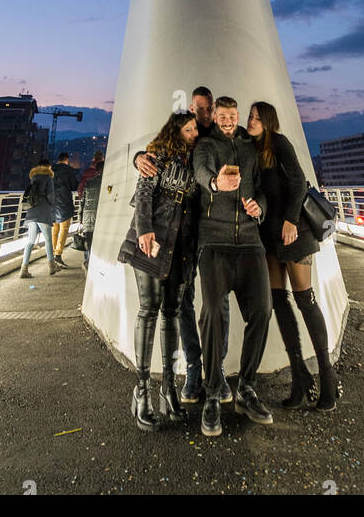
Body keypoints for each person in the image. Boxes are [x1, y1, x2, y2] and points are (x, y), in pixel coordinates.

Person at [134, 87, 232, 405]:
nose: (203, 117)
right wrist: (137, 157)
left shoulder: (218, 136)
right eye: (199, 111)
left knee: (217, 299)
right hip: (181, 235)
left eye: (208, 111)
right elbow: (153, 162)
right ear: (192, 107)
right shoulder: (178, 140)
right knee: (181, 305)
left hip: (212, 229)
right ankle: (192, 371)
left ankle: (215, 373)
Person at [246, 101, 339, 411]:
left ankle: (327, 377)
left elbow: (299, 182)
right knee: (278, 301)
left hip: (295, 231)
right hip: (269, 236)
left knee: (305, 300)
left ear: (269, 121)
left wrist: (289, 221)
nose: (251, 121)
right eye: (250, 117)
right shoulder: (253, 150)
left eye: (257, 118)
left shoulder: (280, 143)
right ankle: (299, 377)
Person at [193, 96, 273, 438]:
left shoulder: (251, 148)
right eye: (221, 116)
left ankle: (247, 388)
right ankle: (213, 392)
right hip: (214, 242)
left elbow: (263, 190)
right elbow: (201, 172)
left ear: (239, 116)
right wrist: (215, 184)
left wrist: (261, 209)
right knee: (211, 312)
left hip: (251, 243)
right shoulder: (206, 145)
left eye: (232, 116)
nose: (227, 121)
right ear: (215, 115)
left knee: (263, 311)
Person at [118, 110, 200, 430]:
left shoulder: (198, 161)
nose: (194, 133)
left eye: (196, 129)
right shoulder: (158, 155)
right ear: (176, 130)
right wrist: (144, 230)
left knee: (172, 311)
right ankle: (142, 391)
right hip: (152, 241)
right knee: (149, 309)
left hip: (182, 247)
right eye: (189, 129)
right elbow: (143, 194)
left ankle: (168, 388)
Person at [20, 160, 56, 277]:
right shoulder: (48, 178)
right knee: (48, 240)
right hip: (43, 212)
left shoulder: (33, 177)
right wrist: (52, 206)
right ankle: (52, 266)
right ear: (48, 167)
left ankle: (24, 269)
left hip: (31, 212)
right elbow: (50, 195)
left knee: (30, 241)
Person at [51, 152, 79, 267]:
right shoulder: (68, 170)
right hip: (64, 202)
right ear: (66, 160)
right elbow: (74, 186)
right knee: (64, 228)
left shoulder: (51, 169)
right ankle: (58, 255)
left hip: (51, 202)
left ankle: (52, 254)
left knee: (54, 229)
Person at [79, 157, 104, 270]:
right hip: (101, 217)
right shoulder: (108, 183)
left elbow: (82, 202)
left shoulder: (89, 182)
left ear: (96, 171)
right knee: (100, 244)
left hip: (87, 216)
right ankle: (94, 266)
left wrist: (80, 218)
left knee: (88, 243)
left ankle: (88, 262)